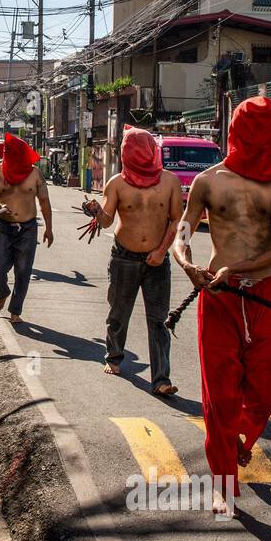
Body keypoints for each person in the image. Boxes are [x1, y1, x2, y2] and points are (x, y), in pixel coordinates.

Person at [172, 96, 271, 518]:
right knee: (219, 395)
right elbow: (183, 231)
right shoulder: (208, 181)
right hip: (219, 297)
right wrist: (186, 262)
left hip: (263, 294)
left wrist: (237, 267)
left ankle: (242, 437)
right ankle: (223, 484)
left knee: (269, 383)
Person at [84, 128, 181, 396]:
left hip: (157, 262)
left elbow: (176, 220)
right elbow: (106, 221)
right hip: (123, 256)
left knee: (159, 321)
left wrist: (162, 250)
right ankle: (114, 357)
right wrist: (95, 210)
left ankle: (161, 379)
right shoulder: (116, 183)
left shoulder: (170, 181)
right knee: (118, 312)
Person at [0, 134, 53, 323]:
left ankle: (15, 312)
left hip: (28, 229)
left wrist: (49, 228)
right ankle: (3, 291)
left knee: (23, 271)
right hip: (4, 226)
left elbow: (45, 202)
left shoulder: (35, 174)